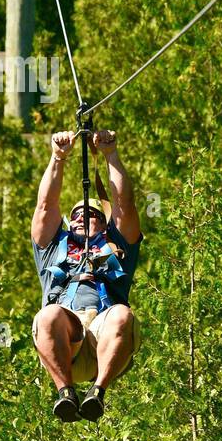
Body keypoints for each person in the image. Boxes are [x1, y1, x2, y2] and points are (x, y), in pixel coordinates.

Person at [31, 128, 142, 422]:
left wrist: (110, 155)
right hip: (66, 342)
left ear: (105, 224)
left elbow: (124, 206)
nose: (82, 217)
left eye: (91, 214)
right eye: (77, 215)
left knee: (122, 314)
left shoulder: (118, 245)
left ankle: (97, 393)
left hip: (106, 339)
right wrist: (58, 158)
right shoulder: (53, 247)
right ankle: (66, 394)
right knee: (48, 315)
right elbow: (46, 206)